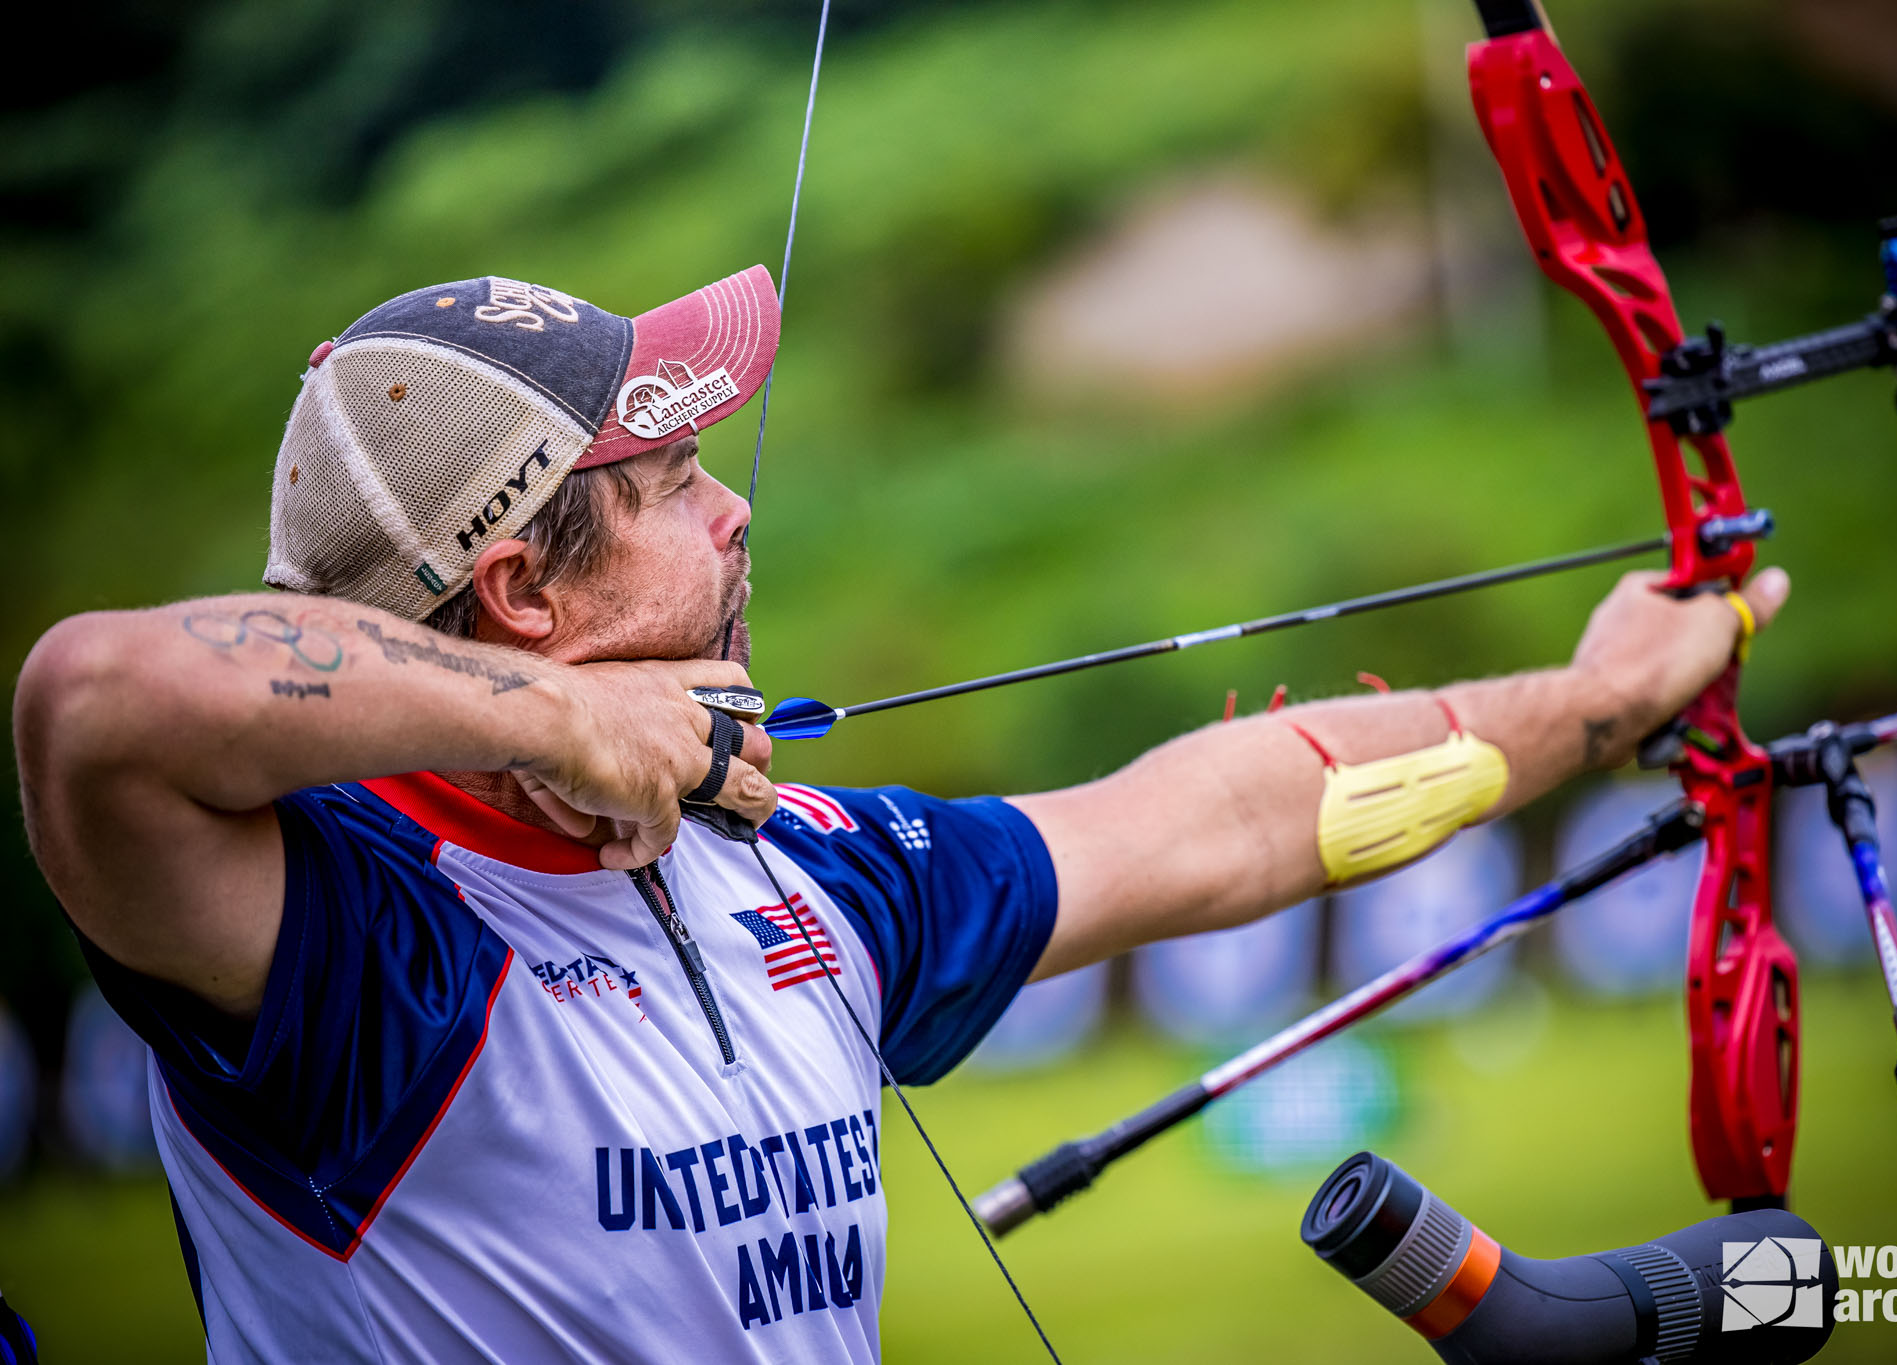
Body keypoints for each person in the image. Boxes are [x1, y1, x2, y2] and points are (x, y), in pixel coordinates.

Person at [12, 265, 1787, 1363]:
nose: (731, 514)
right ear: (524, 589)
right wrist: (566, 723)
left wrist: (1599, 701)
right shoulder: (338, 941)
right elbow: (94, 699)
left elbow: (1217, 816)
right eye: (671, 484)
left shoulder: (792, 865)